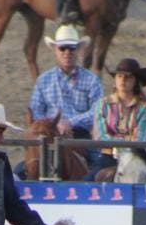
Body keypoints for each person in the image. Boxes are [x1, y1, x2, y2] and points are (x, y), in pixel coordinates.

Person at [28, 25, 104, 168]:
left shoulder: (92, 80)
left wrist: (70, 122)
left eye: (71, 48)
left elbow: (98, 111)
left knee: (99, 171)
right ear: (55, 50)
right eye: (62, 48)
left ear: (78, 50)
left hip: (81, 136)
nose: (67, 52)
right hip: (48, 135)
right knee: (25, 170)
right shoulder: (43, 80)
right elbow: (35, 109)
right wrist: (52, 125)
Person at [88, 58, 146, 182]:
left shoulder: (145, 108)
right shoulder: (102, 104)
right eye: (119, 76)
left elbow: (141, 139)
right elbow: (100, 135)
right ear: (115, 79)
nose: (123, 80)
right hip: (108, 156)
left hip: (135, 159)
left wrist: (118, 143)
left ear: (135, 81)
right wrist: (125, 142)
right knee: (86, 183)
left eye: (128, 77)